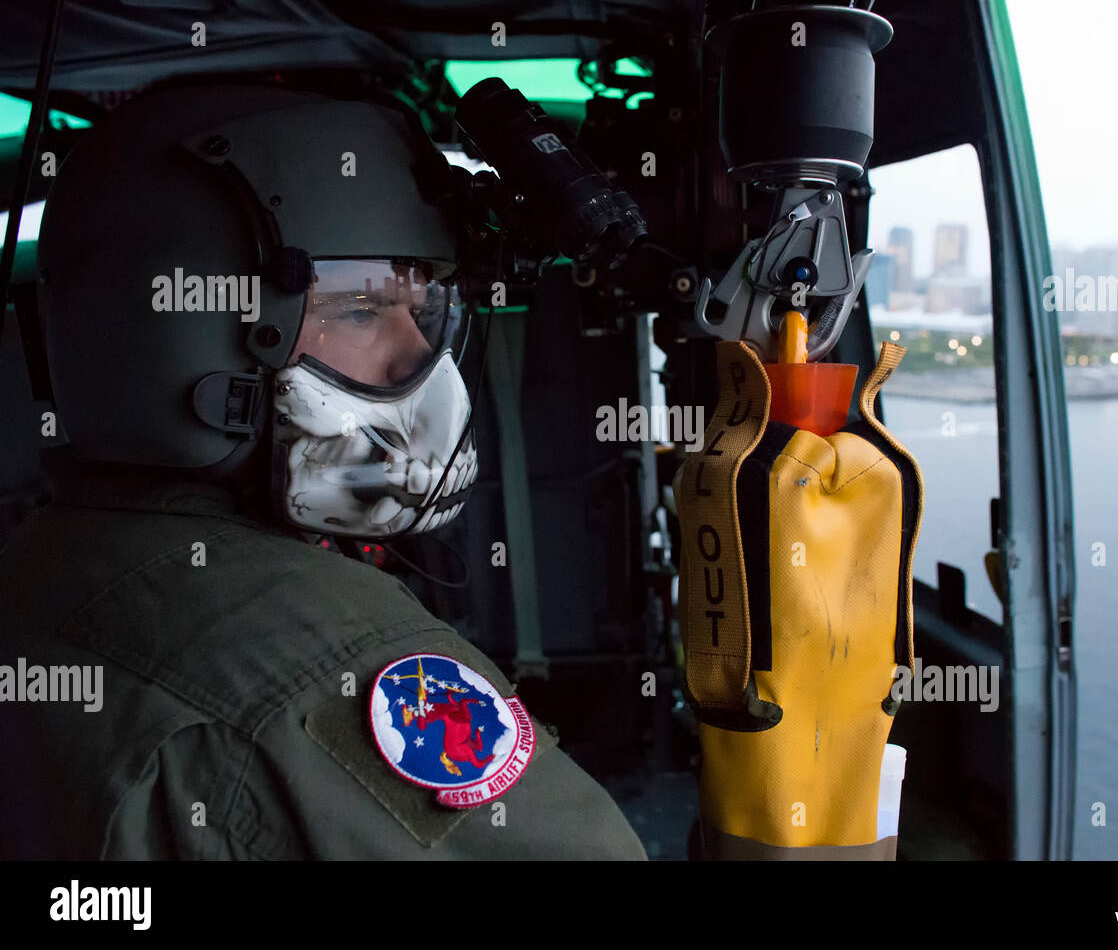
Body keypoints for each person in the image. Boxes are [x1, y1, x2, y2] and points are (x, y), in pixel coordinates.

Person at [0, 84, 646, 859]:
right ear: (178, 335)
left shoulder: (44, 566)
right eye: (362, 310)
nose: (422, 357)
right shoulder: (327, 665)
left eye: (426, 307)